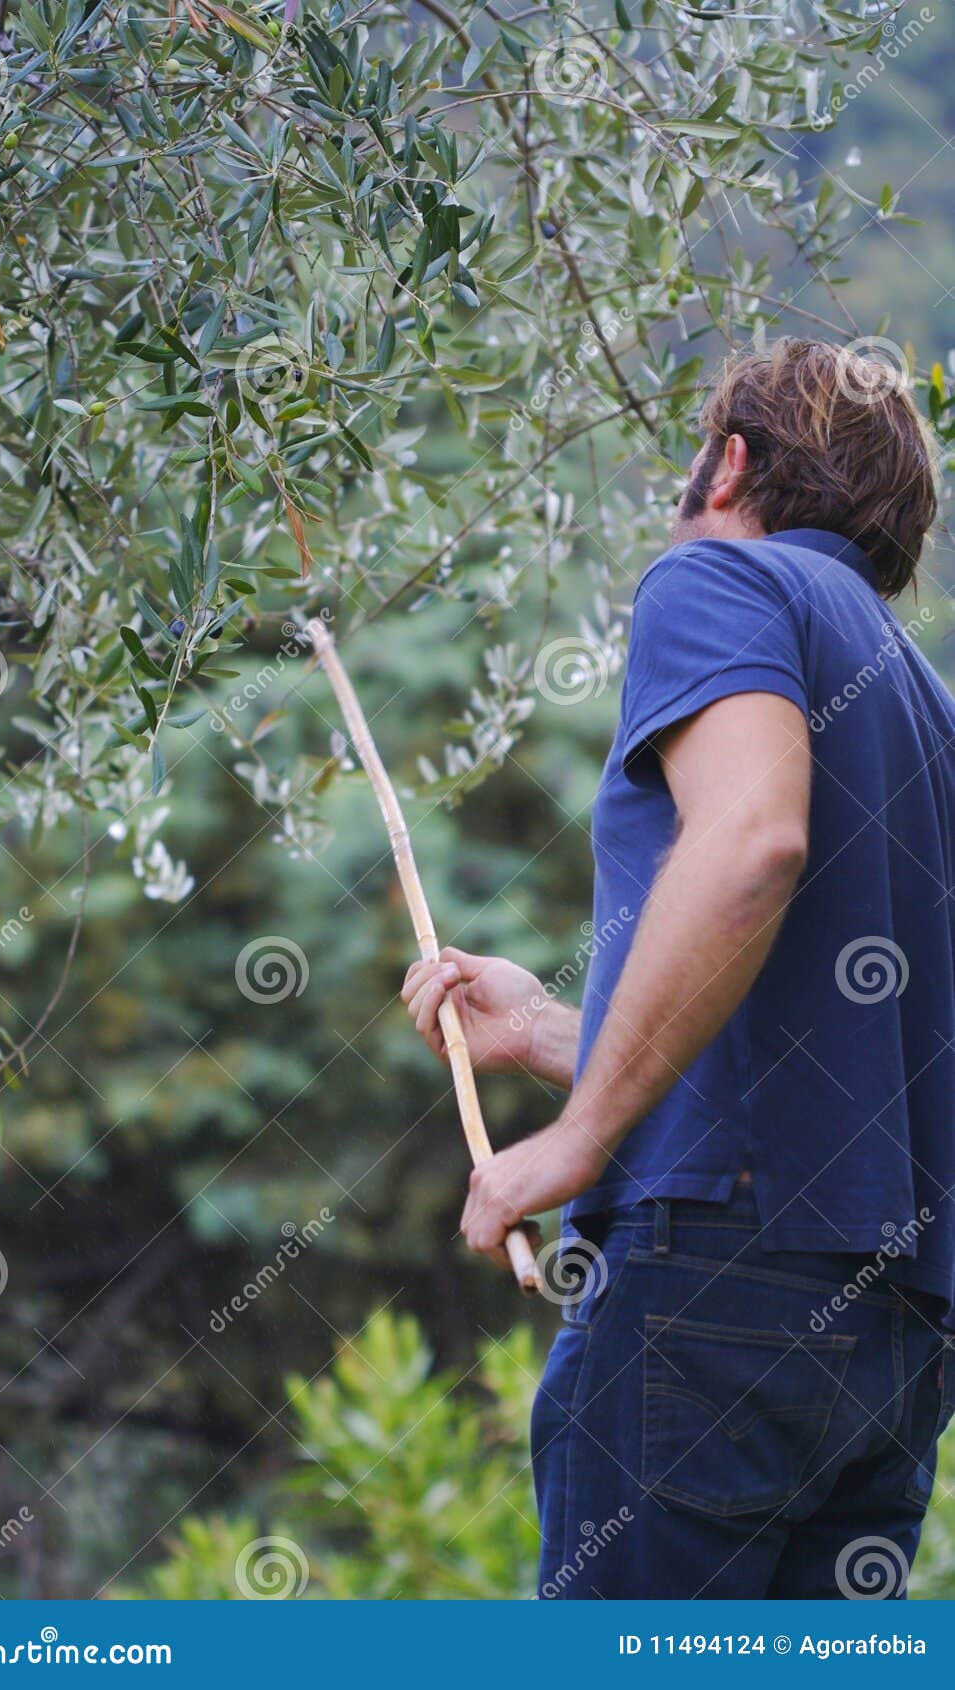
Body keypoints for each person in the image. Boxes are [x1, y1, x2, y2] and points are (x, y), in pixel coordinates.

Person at [402, 339, 955, 1599]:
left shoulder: (716, 581)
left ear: (731, 464)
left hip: (715, 1296)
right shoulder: (923, 707)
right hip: (890, 1340)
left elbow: (753, 842)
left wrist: (577, 1138)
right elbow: (839, 1020)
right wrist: (554, 1032)